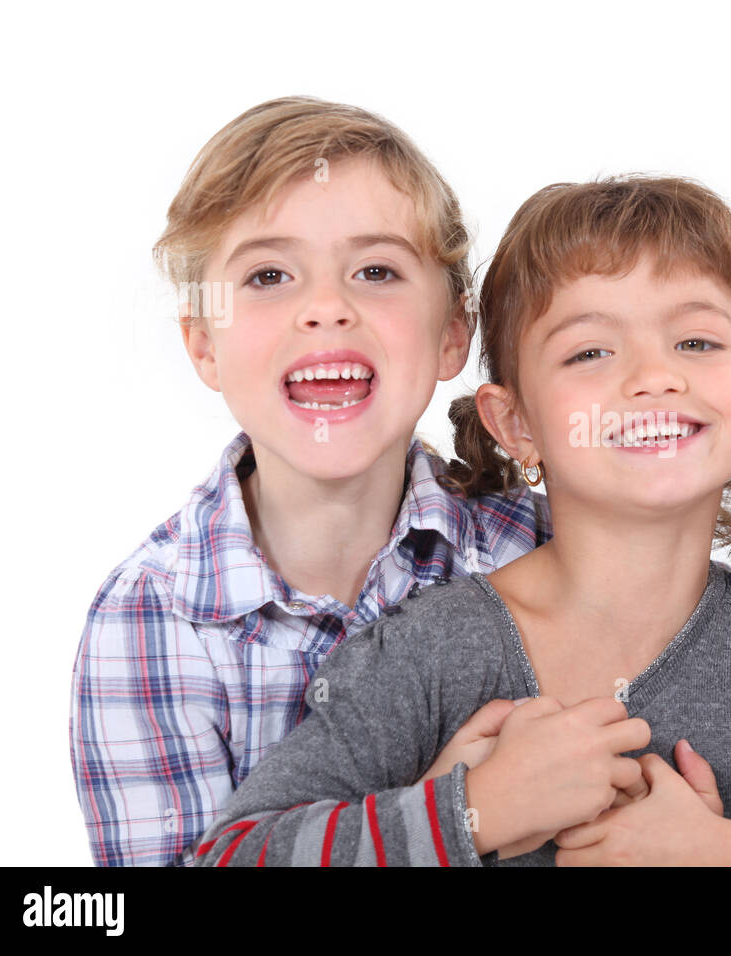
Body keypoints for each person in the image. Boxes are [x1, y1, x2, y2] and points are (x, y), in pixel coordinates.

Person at [193, 176, 731, 866]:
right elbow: (230, 857)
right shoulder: (432, 649)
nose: (654, 377)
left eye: (696, 342)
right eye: (590, 352)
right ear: (516, 425)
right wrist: (469, 813)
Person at [69, 97, 550, 866]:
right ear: (204, 345)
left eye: (376, 271)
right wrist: (451, 817)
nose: (327, 308)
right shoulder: (152, 620)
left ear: (452, 333)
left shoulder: (540, 547)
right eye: (269, 275)